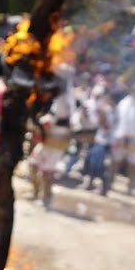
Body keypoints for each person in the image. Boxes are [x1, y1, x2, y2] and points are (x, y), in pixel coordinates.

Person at [27, 63, 77, 209]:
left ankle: (46, 198)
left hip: (57, 138)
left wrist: (41, 122)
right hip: (48, 137)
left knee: (47, 170)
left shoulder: (64, 98)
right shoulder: (55, 95)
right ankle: (37, 193)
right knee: (34, 163)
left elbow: (56, 118)